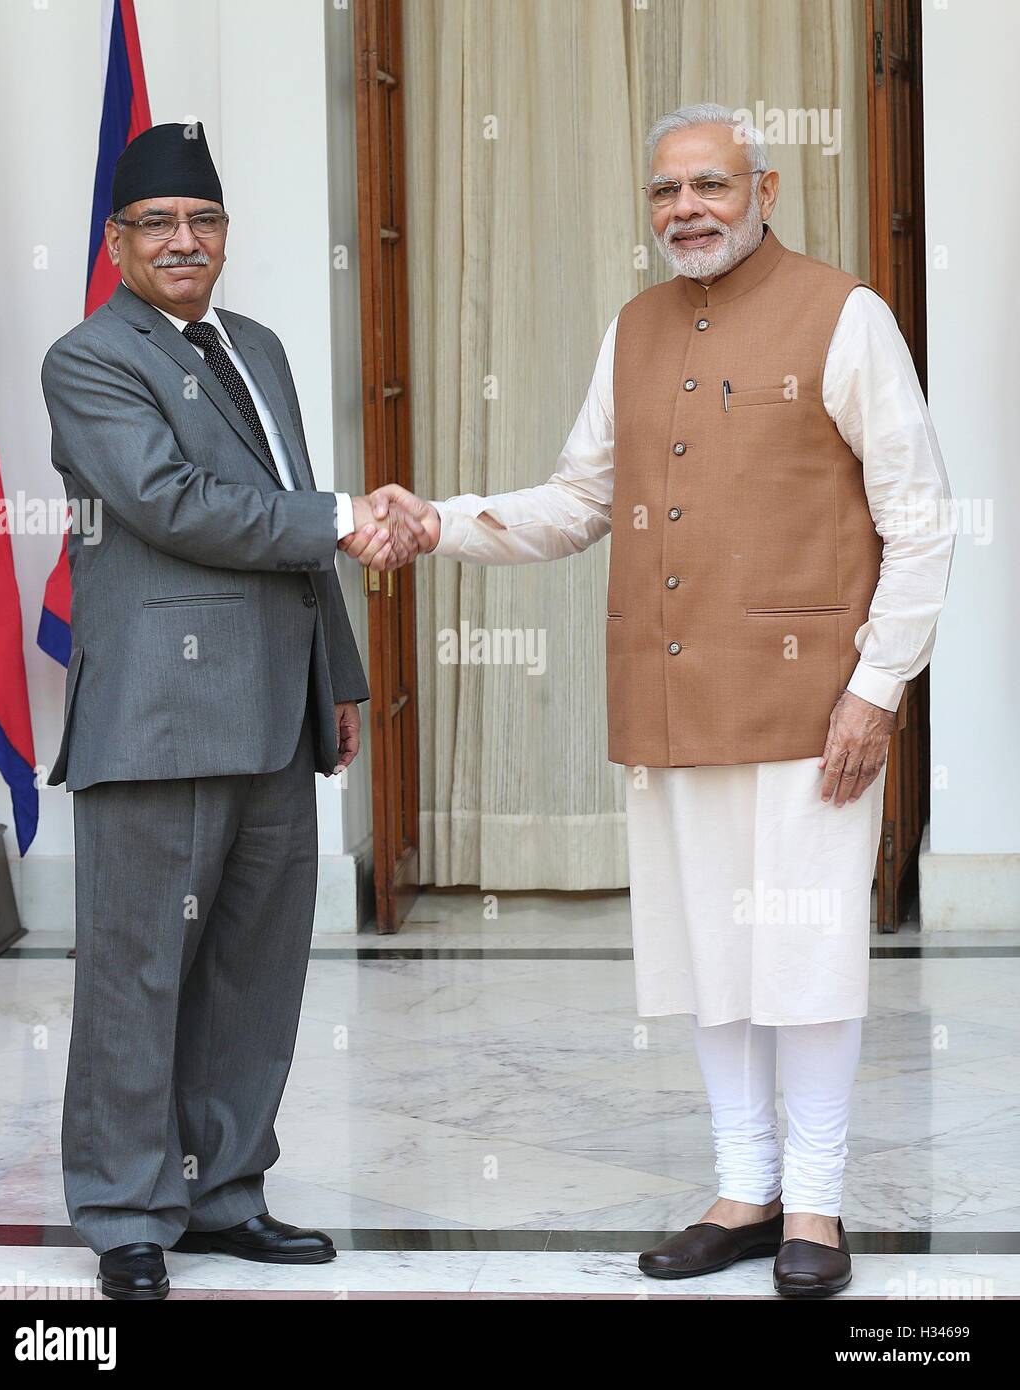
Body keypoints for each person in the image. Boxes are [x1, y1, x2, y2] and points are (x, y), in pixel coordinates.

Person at [343, 102, 954, 1298]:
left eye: (711, 186)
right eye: (666, 191)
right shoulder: (631, 329)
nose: (688, 209)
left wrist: (875, 691)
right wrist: (438, 522)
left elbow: (920, 519)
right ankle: (742, 1189)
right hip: (665, 700)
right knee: (706, 954)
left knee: (804, 954)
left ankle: (816, 1207)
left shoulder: (845, 315)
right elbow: (577, 501)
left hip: (808, 707)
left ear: (763, 188)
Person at [41, 121, 432, 1301]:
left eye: (202, 221)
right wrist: (343, 513)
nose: (182, 240)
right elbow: (174, 504)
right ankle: (125, 1212)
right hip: (159, 716)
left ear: (223, 238)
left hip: (274, 706)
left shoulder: (254, 345)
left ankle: (223, 1193)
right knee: (137, 974)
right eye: (157, 223)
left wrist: (341, 679)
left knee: (255, 969)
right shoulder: (88, 358)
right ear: (117, 246)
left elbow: (290, 519)